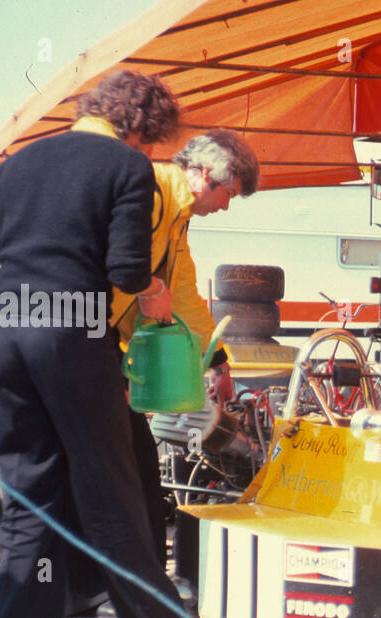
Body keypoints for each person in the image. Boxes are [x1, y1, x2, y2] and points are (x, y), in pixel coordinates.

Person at [0, 70, 191, 618]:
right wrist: (155, 291)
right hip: (78, 335)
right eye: (147, 141)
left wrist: (12, 299)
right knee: (109, 483)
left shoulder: (18, 164)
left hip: (12, 336)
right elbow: (124, 270)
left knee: (28, 488)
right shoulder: (125, 168)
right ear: (137, 123)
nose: (144, 152)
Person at [100, 128, 259, 583]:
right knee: (120, 460)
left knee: (134, 460)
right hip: (83, 333)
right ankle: (135, 582)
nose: (226, 205)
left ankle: (139, 578)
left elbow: (184, 291)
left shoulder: (178, 216)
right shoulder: (149, 193)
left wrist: (217, 361)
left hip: (101, 336)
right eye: (229, 193)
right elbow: (126, 269)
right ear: (204, 174)